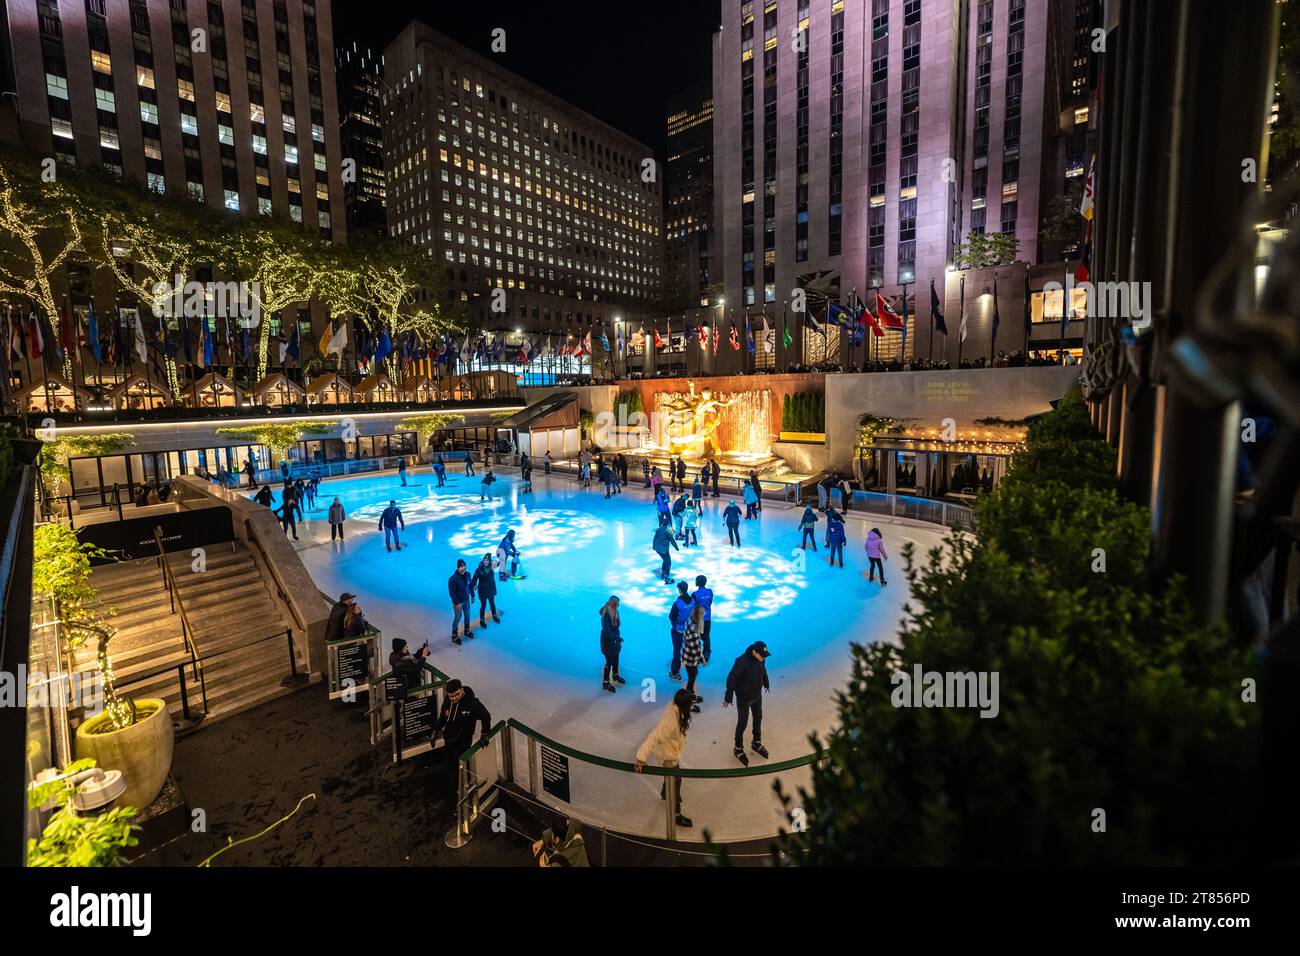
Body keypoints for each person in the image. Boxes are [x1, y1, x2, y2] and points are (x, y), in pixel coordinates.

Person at [634, 688, 695, 829]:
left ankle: (664, 792)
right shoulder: (670, 722)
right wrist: (640, 758)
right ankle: (676, 815)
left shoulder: (674, 707)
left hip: (670, 749)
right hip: (667, 755)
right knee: (676, 781)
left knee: (672, 778)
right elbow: (654, 737)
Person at [724, 641, 772, 766]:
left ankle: (756, 742)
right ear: (754, 652)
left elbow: (763, 670)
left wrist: (766, 682)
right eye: (761, 655)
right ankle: (738, 748)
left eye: (764, 655)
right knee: (743, 722)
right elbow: (731, 678)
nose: (763, 657)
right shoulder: (741, 661)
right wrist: (729, 696)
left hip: (757, 695)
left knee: (758, 717)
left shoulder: (761, 658)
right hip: (744, 698)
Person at [434, 679, 492, 770]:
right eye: (451, 696)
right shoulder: (447, 700)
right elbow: (443, 717)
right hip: (449, 740)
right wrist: (435, 730)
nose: (454, 698)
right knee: (450, 766)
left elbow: (486, 716)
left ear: (462, 689)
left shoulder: (472, 703)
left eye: (457, 694)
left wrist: (485, 732)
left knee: (462, 768)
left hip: (463, 743)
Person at [667, 580, 694, 681]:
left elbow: (671, 616)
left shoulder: (677, 603)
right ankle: (692, 667)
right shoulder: (692, 601)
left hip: (678, 631)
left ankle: (675, 671)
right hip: (689, 630)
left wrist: (675, 626)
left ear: (679, 590)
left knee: (677, 650)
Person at [681, 603, 705, 710]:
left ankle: (691, 695)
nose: (704, 615)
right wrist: (702, 658)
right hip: (690, 659)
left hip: (687, 655)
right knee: (691, 678)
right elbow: (695, 648)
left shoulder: (689, 621)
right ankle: (688, 703)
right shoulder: (694, 632)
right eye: (703, 614)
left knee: (693, 675)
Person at [599, 595, 624, 693]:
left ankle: (615, 675)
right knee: (609, 662)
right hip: (608, 643)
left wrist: (617, 639)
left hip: (615, 642)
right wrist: (617, 638)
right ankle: (605, 682)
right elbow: (607, 631)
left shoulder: (615, 611)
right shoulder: (606, 615)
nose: (618, 606)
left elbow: (616, 627)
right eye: (616, 604)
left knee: (616, 658)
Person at [470, 553, 502, 627]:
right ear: (483, 560)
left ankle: (494, 616)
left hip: (491, 589)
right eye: (484, 560)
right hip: (483, 590)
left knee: (492, 603)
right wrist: (474, 584)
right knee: (483, 605)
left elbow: (499, 562)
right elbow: (474, 579)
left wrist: (499, 557)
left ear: (489, 561)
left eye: (487, 560)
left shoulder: (492, 566)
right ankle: (482, 620)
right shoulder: (478, 569)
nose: (485, 561)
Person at [448, 559, 474, 644]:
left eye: (464, 567)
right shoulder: (453, 579)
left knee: (467, 615)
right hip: (458, 603)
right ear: (458, 567)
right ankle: (454, 636)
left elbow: (470, 586)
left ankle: (467, 630)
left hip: (466, 600)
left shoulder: (468, 575)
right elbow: (452, 593)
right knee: (458, 618)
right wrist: (456, 603)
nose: (463, 568)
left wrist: (473, 595)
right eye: (461, 567)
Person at [691, 574, 714, 664]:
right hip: (708, 618)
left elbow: (694, 607)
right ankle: (707, 653)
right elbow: (710, 602)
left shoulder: (694, 594)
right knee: (707, 636)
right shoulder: (710, 592)